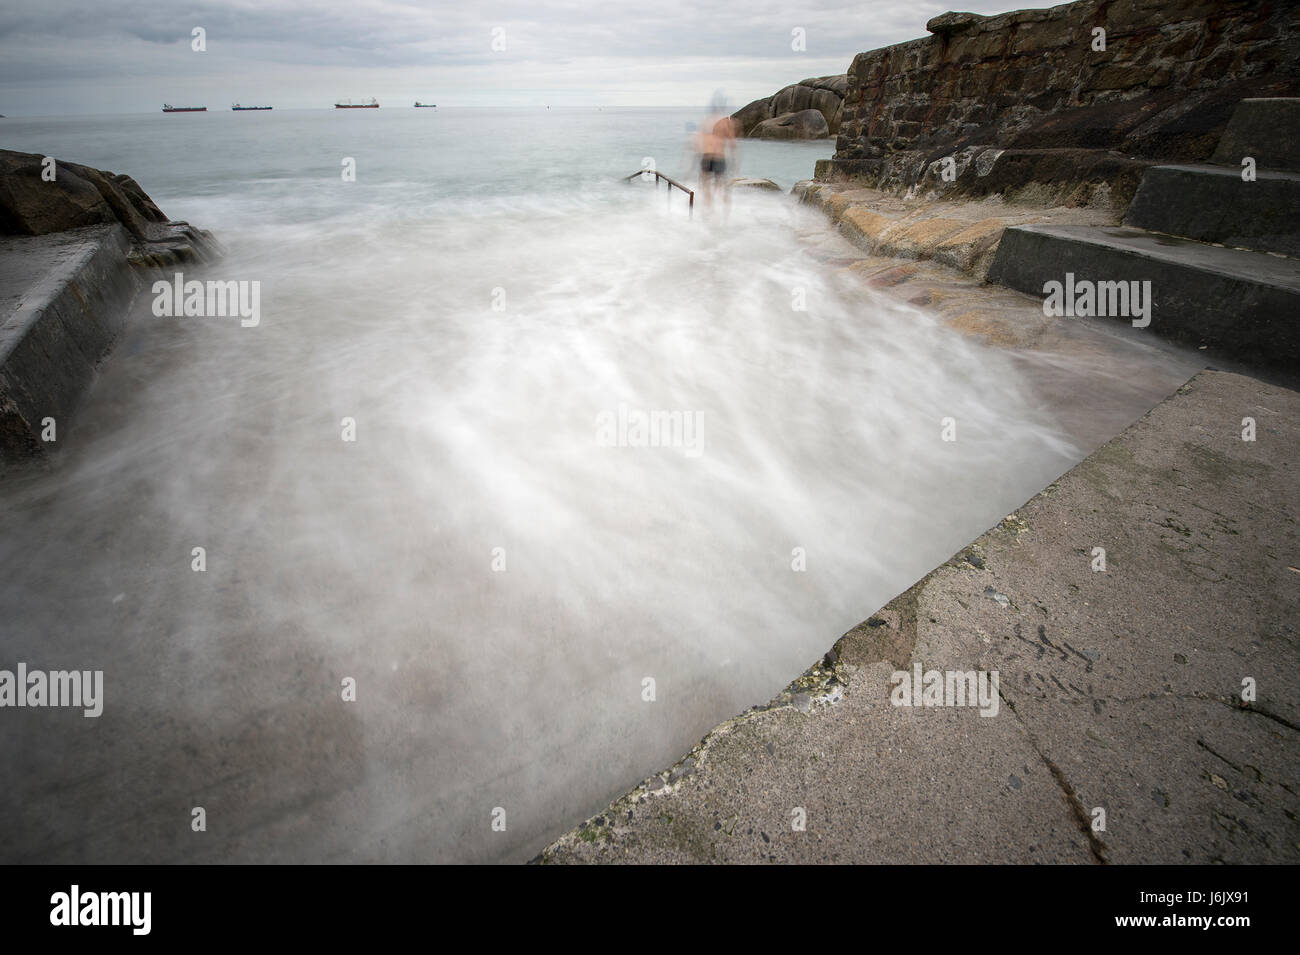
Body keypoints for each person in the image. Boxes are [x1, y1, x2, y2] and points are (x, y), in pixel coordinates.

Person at [693, 93, 737, 212]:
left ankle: (708, 208)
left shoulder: (705, 121)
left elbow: (696, 142)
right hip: (719, 157)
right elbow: (733, 144)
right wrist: (734, 162)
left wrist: (691, 163)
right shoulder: (726, 122)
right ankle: (723, 210)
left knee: (705, 183)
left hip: (706, 157)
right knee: (721, 184)